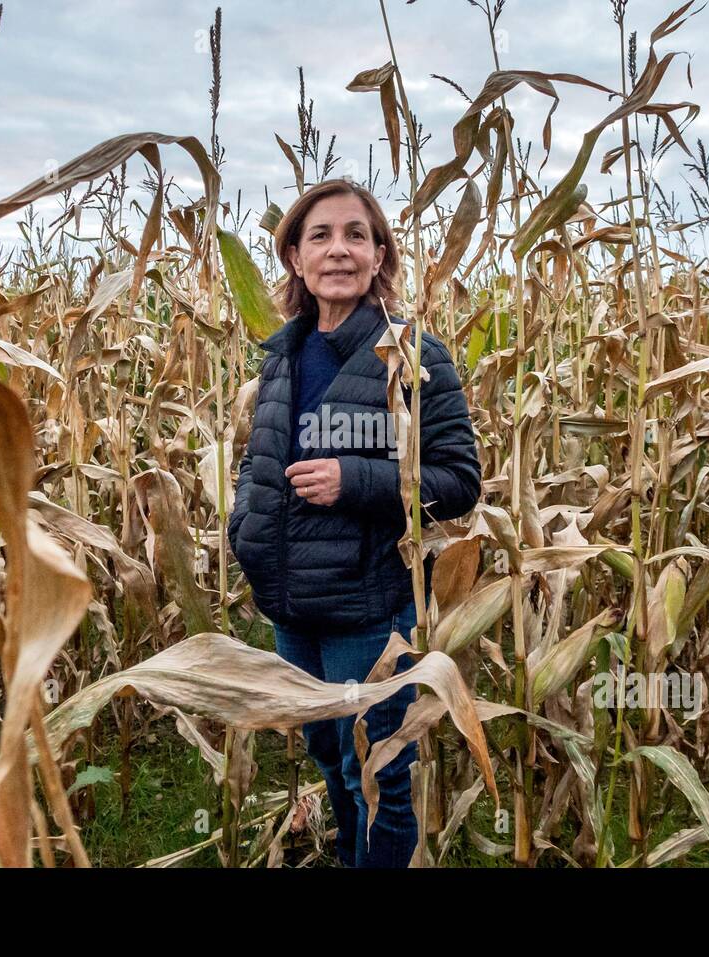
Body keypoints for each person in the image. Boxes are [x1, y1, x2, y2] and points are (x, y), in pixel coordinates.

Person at [226, 178, 481, 867]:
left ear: (378, 256)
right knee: (329, 756)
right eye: (320, 236)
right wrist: (243, 526)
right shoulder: (281, 355)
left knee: (377, 769)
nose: (338, 249)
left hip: (366, 609)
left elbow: (460, 482)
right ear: (294, 259)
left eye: (355, 235)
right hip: (290, 608)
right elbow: (257, 456)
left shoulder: (412, 356)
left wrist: (356, 480)